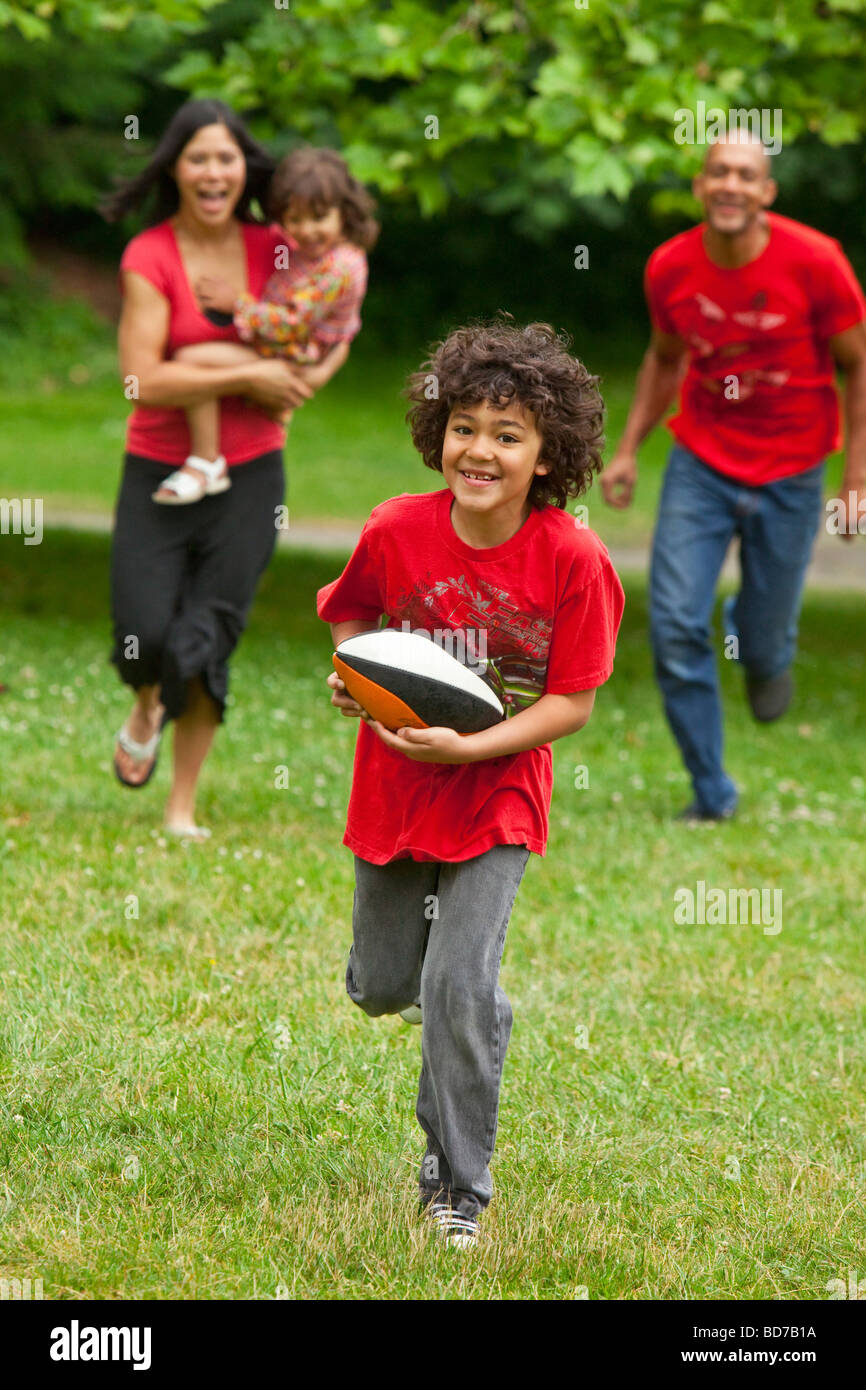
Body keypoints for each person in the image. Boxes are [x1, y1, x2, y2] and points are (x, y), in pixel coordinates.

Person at [317, 319, 625, 1247]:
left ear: (547, 455)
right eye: (464, 426)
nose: (478, 449)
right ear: (437, 429)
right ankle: (440, 992)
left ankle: (457, 1185)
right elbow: (352, 617)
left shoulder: (574, 558)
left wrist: (471, 750)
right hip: (398, 782)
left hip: (498, 791)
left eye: (507, 434)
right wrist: (355, 678)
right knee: (381, 986)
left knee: (456, 987)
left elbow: (570, 702)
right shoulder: (395, 527)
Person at [600, 133, 866, 821]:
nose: (731, 184)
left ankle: (759, 640)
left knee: (766, 634)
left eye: (746, 175)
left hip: (793, 468)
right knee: (673, 621)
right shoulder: (671, 267)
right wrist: (628, 448)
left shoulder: (816, 261)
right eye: (718, 171)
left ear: (767, 193)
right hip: (704, 464)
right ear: (700, 185)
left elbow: (857, 364)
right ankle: (711, 790)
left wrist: (854, 478)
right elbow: (664, 357)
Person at [102, 98, 321, 837]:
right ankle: (145, 700)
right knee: (145, 630)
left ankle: (181, 807)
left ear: (243, 168)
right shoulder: (150, 255)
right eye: (198, 157)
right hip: (160, 469)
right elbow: (142, 379)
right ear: (174, 167)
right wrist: (245, 376)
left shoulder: (277, 247)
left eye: (227, 157)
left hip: (253, 471)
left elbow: (307, 339)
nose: (214, 171)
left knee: (211, 630)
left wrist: (270, 373)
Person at [153, 146, 377, 505]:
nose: (306, 230)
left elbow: (292, 324)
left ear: (345, 212)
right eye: (295, 219)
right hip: (285, 348)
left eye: (318, 217)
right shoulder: (309, 249)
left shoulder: (340, 267)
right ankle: (250, 426)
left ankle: (206, 462)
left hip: (294, 353)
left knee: (191, 359)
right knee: (194, 360)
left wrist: (235, 303)